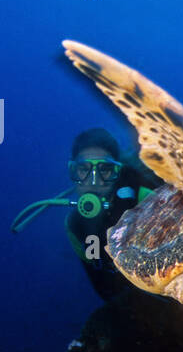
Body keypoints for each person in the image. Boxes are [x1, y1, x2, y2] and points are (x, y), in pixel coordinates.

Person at [64, 128, 161, 299]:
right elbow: (103, 286)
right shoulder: (75, 226)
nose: (94, 181)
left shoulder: (144, 197)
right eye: (83, 169)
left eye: (105, 169)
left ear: (117, 172)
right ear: (73, 172)